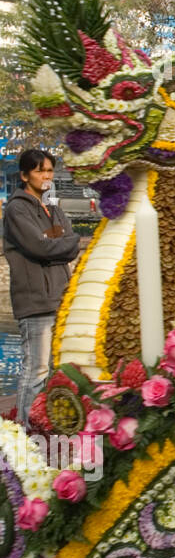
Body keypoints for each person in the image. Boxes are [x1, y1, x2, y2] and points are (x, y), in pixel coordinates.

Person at [2, 149, 80, 427]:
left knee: (57, 372)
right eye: (40, 171)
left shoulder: (52, 206)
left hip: (60, 297)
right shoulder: (16, 208)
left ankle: (47, 430)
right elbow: (39, 246)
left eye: (49, 170)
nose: (46, 176)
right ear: (25, 175)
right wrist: (55, 244)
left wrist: (54, 244)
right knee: (36, 370)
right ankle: (24, 434)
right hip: (36, 301)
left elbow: (69, 242)